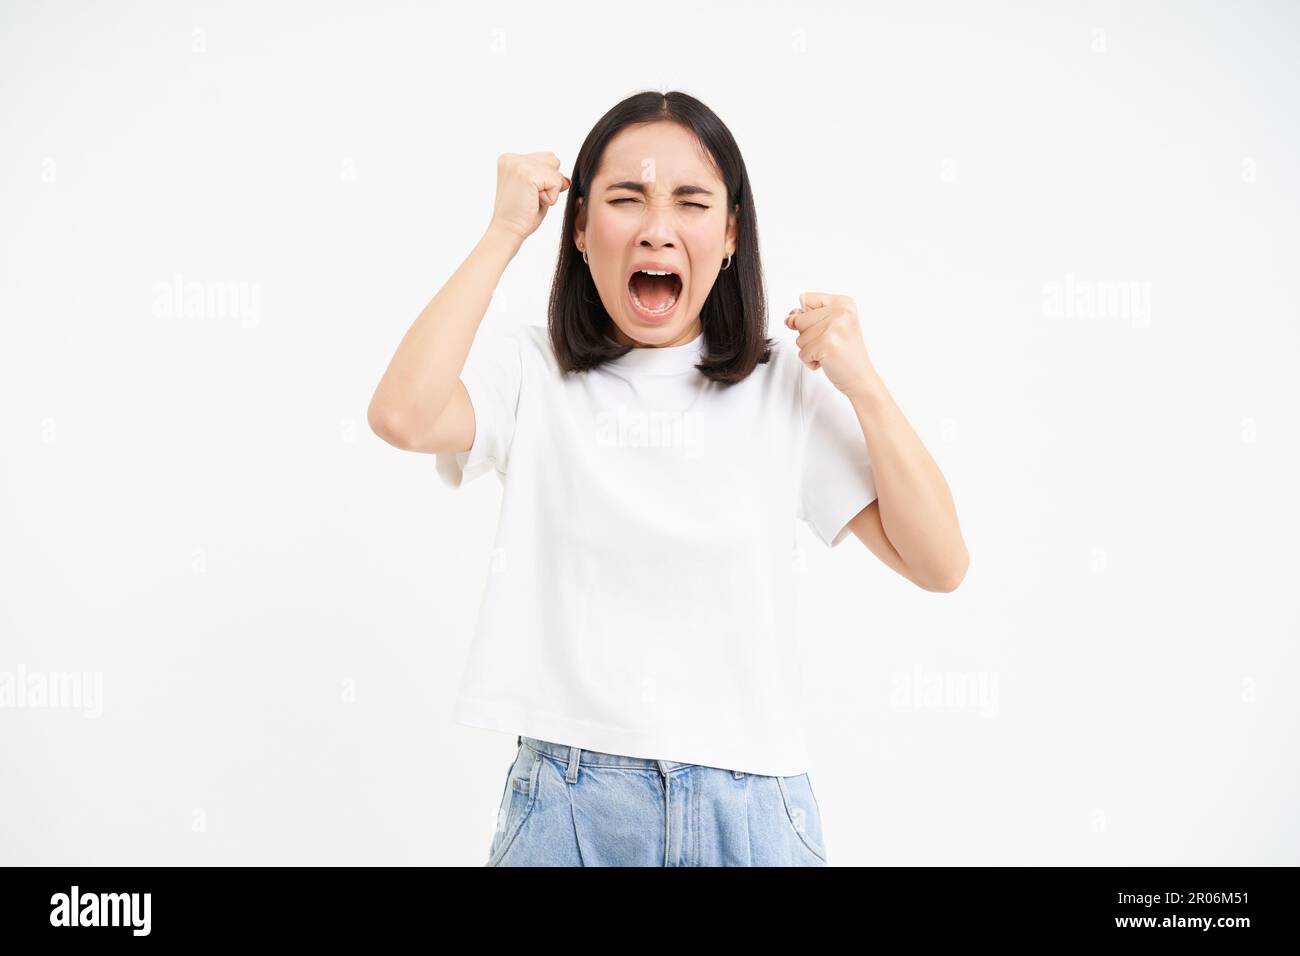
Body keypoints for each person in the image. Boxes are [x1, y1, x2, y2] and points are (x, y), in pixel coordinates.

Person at [368, 90, 968, 866]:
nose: (656, 228)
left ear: (728, 236)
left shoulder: (781, 382)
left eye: (691, 202)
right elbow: (402, 417)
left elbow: (940, 562)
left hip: (751, 810)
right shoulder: (530, 370)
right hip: (569, 804)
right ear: (580, 228)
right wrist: (503, 231)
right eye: (626, 199)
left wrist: (864, 384)